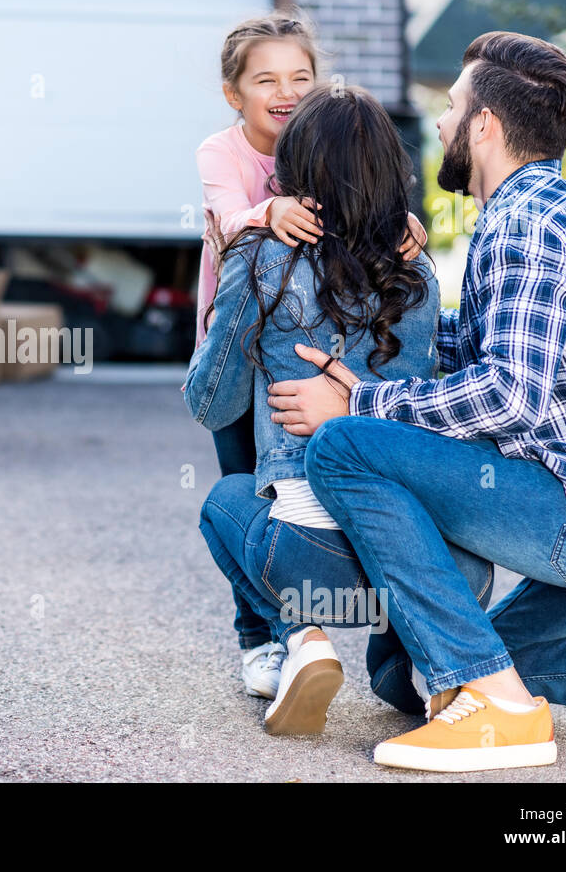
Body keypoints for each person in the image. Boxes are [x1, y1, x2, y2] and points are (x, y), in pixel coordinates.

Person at [267, 31, 566, 772]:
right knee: (412, 674)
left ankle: (502, 711)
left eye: (453, 107)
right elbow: (484, 352)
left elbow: (508, 395)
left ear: (484, 126)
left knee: (343, 446)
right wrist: (396, 309)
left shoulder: (525, 224)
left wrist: (361, 400)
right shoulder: (560, 206)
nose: (439, 124)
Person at [184, 83, 487, 734]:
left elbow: (212, 403)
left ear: (295, 171)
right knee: (404, 503)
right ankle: (414, 660)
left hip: (306, 559)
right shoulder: (419, 272)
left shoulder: (264, 256)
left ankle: (304, 640)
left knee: (224, 498)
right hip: (433, 565)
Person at [194, 11, 425, 699]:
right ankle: (264, 638)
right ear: (235, 94)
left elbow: (362, 194)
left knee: (261, 500)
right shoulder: (223, 152)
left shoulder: (327, 142)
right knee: (250, 483)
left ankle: (348, 639)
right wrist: (268, 213)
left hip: (320, 335)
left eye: (300, 76)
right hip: (238, 340)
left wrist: (398, 217)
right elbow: (227, 217)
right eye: (266, 79)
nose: (287, 90)